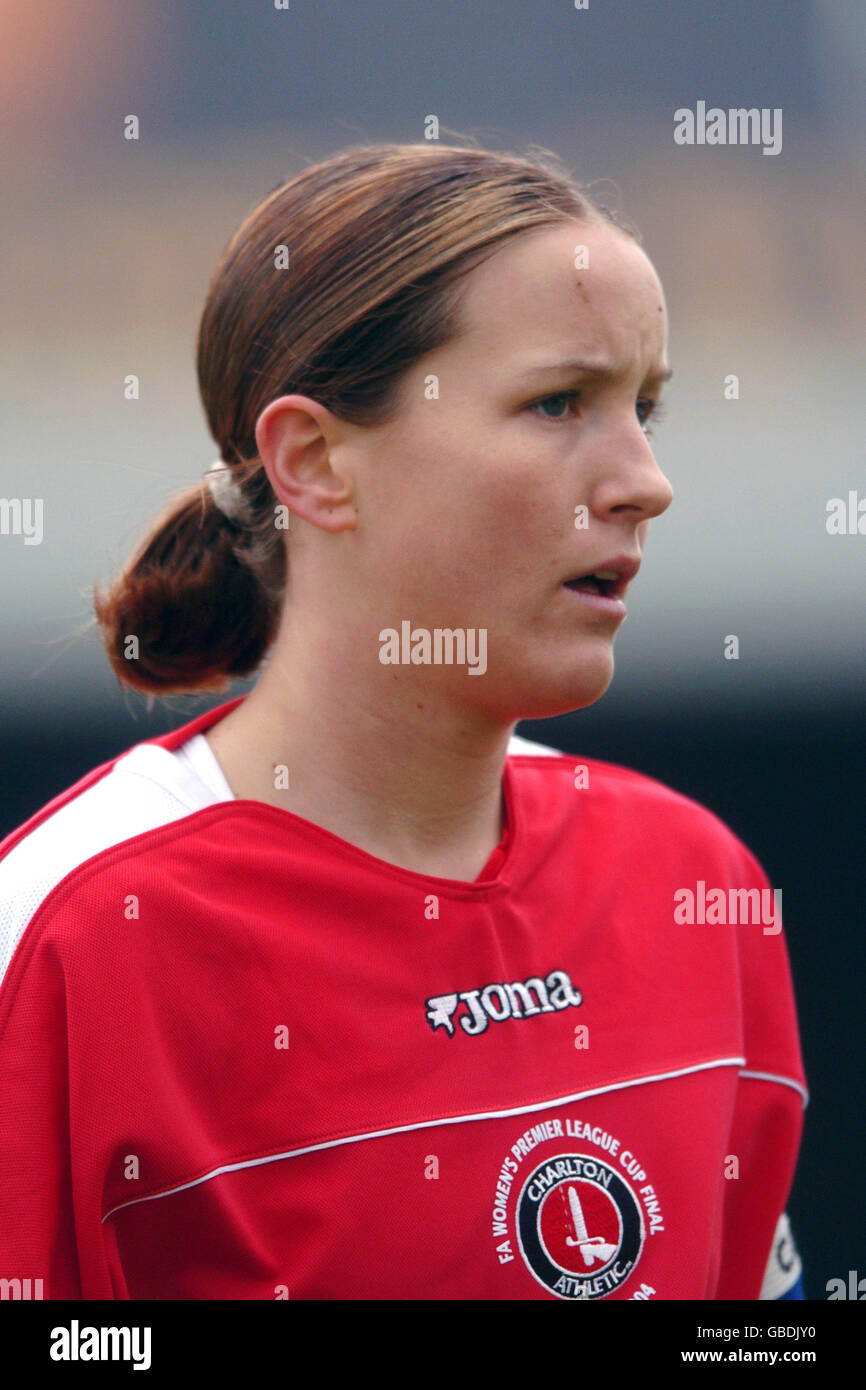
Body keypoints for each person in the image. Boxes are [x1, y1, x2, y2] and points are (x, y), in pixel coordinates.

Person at [0, 141, 806, 1300]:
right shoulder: (72, 930)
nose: (643, 479)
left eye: (644, 407)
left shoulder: (694, 875)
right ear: (316, 463)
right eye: (557, 402)